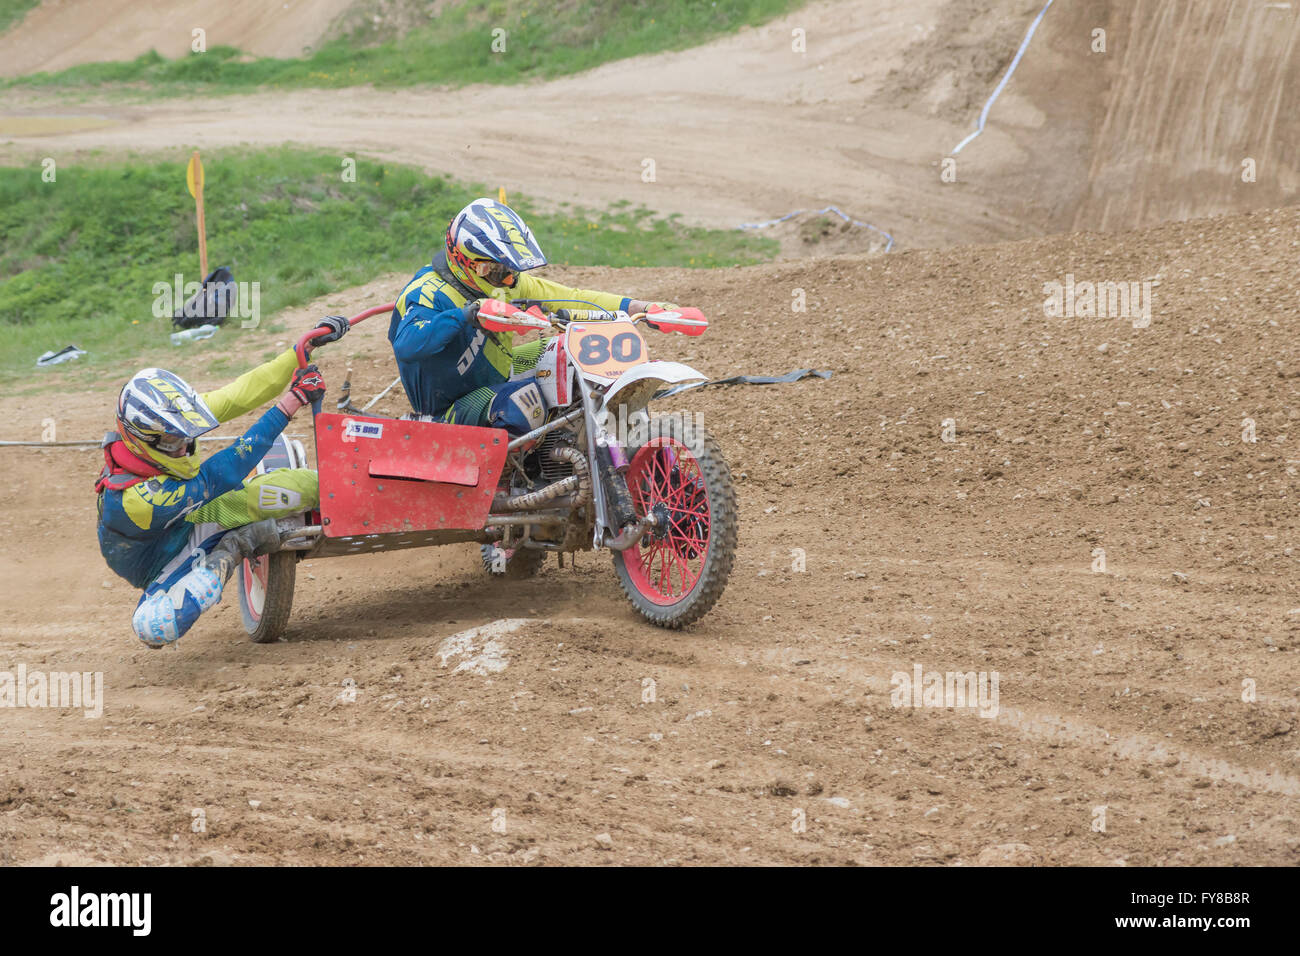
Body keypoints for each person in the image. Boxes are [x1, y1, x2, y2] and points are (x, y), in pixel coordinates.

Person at [96, 317, 348, 648]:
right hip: (163, 562)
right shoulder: (138, 500)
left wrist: (303, 349)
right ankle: (236, 546)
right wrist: (291, 403)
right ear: (142, 440)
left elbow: (241, 393)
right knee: (154, 628)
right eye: (173, 440)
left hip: (195, 513)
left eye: (186, 434)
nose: (184, 445)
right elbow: (222, 474)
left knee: (322, 487)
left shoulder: (175, 420)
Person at [388, 198, 674, 433]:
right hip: (448, 412)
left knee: (580, 355)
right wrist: (467, 315)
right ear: (468, 263)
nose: (509, 280)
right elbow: (407, 344)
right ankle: (510, 490)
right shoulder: (426, 291)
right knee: (521, 400)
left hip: (502, 374)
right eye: (499, 271)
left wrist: (640, 308)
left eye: (511, 271)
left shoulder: (504, 283)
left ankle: (640, 456)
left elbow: (572, 297)